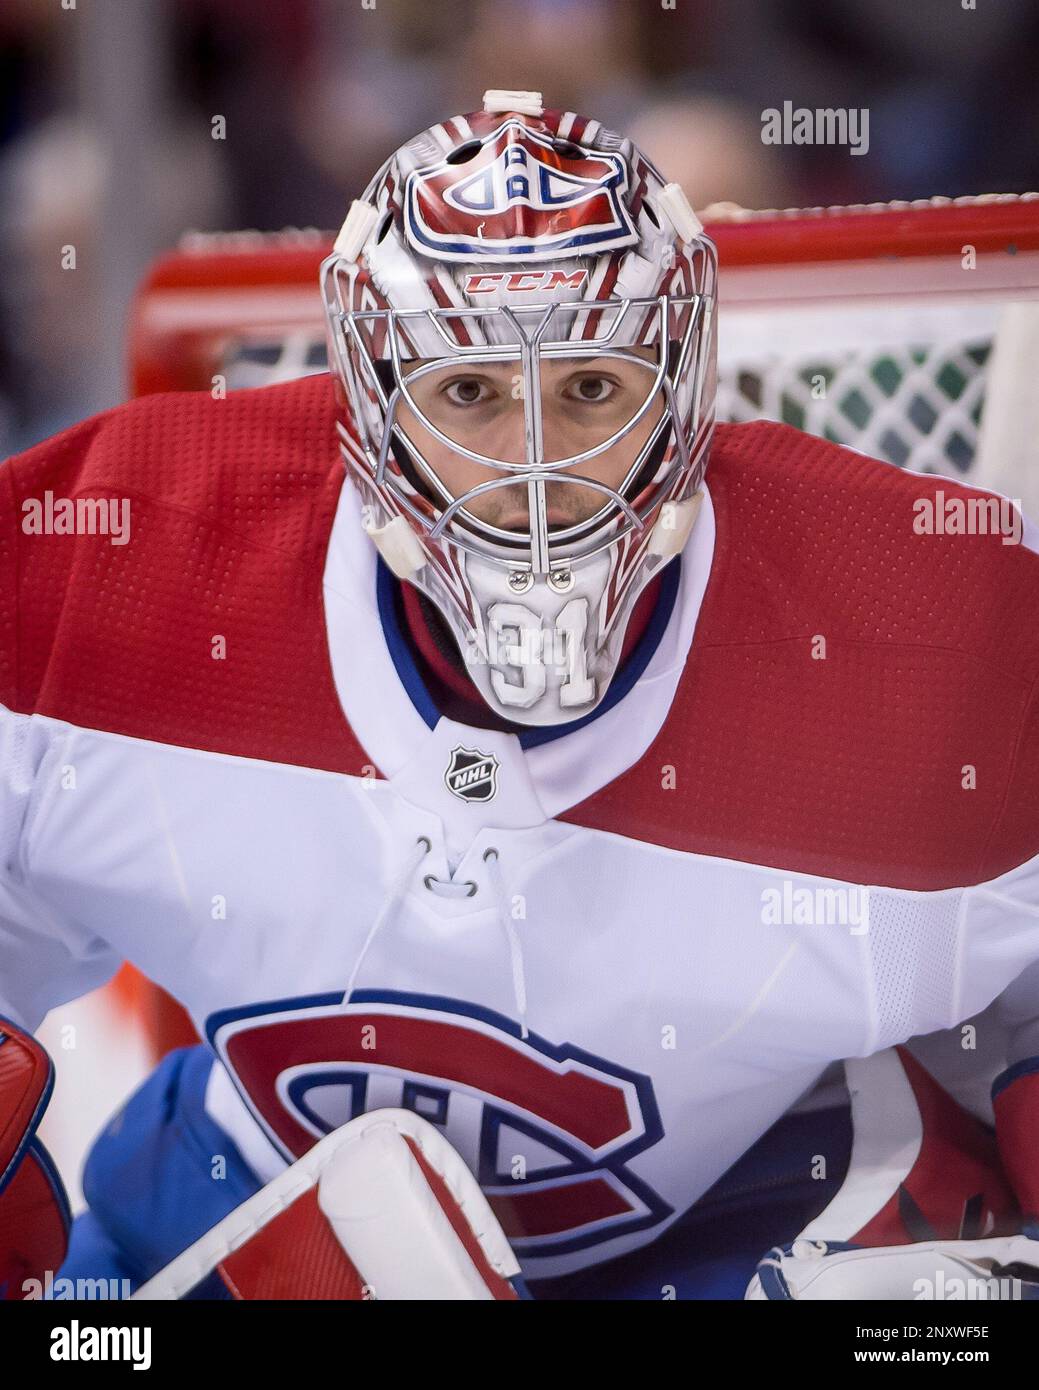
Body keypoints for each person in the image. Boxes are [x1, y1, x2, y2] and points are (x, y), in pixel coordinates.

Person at [2, 91, 1038, 1301]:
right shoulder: (114, 572)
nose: (530, 476)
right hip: (239, 1206)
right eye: (470, 393)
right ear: (370, 403)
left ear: (684, 387)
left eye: (592, 389)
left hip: (736, 1223)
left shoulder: (928, 646)